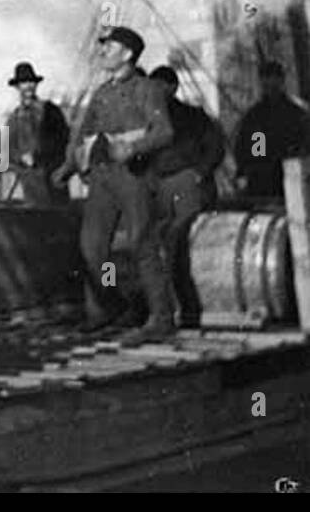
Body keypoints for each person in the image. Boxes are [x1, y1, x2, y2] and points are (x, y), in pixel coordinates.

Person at [52, 26, 174, 343]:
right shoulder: (102, 93)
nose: (103, 51)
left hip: (134, 175)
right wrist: (68, 165)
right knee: (92, 246)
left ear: (128, 54)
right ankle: (105, 308)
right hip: (103, 178)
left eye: (110, 46)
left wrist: (132, 148)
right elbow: (82, 134)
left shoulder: (148, 90)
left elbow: (164, 132)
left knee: (141, 243)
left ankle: (161, 317)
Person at [148, 65, 224, 326]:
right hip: (160, 185)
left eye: (160, 86)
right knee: (159, 247)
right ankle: (169, 310)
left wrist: (199, 173)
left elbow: (215, 146)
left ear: (172, 87)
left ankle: (190, 311)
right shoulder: (148, 120)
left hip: (187, 182)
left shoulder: (193, 116)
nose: (155, 91)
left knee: (181, 243)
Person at [232, 60, 310, 201]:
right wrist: (246, 171)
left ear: (281, 81)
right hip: (263, 181)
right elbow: (252, 148)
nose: (270, 88)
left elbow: (304, 146)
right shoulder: (255, 116)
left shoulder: (298, 114)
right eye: (266, 84)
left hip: (293, 177)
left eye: (274, 83)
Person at [4, 61, 70, 206]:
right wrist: (21, 159)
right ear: (17, 87)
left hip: (53, 177)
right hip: (31, 185)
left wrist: (39, 155)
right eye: (23, 83)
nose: (28, 86)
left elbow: (63, 139)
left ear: (36, 85)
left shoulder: (51, 111)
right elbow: (8, 150)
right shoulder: (14, 118)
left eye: (31, 82)